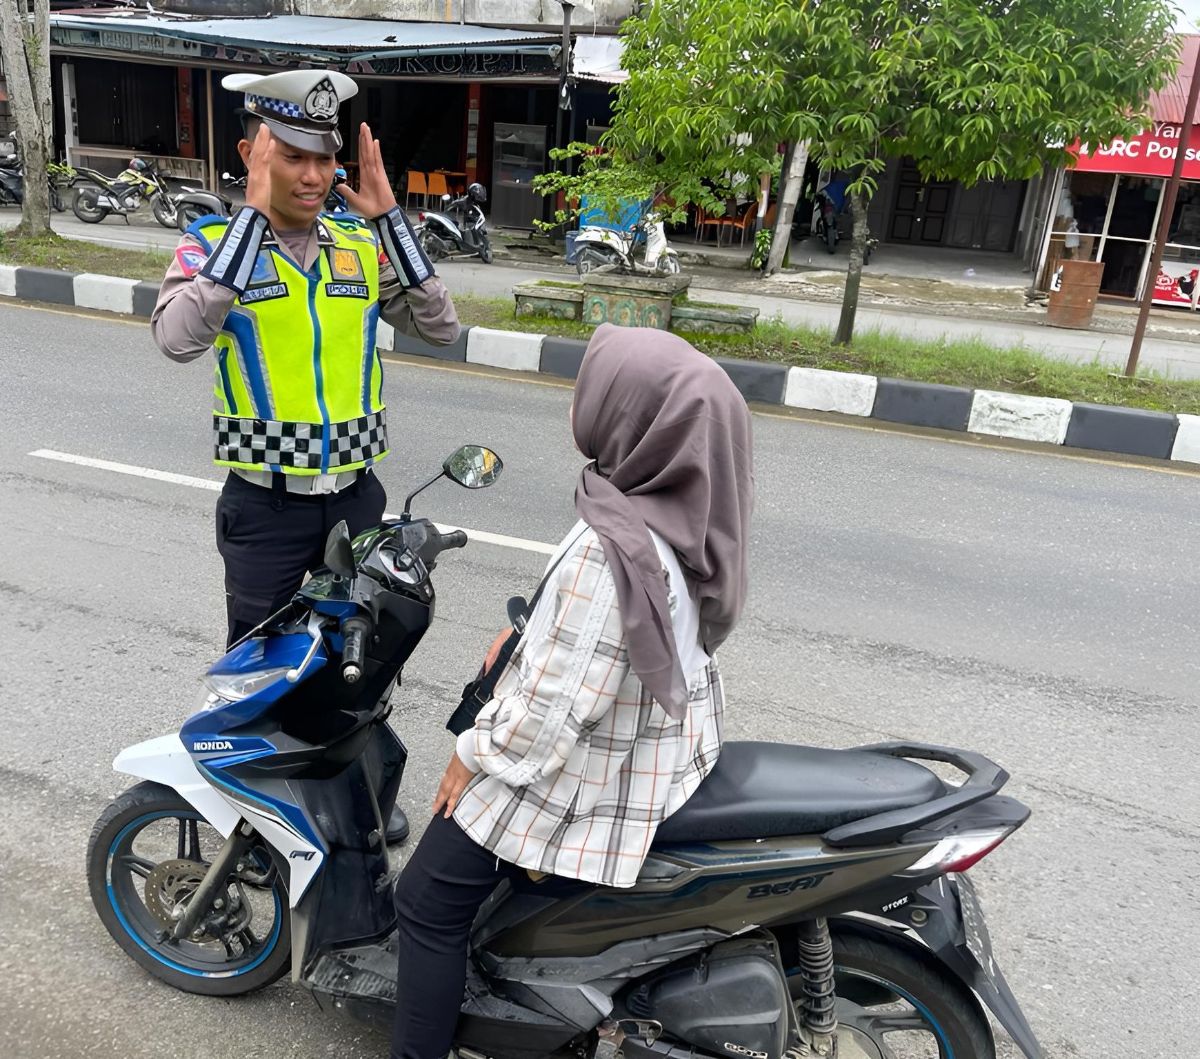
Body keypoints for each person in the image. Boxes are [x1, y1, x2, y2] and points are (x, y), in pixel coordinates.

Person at [389, 323, 754, 1059]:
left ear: (632, 420)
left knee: (424, 901)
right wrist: (526, 639)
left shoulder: (610, 545)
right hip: (660, 741)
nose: (576, 404)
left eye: (595, 390)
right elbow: (601, 645)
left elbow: (549, 721)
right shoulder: (677, 507)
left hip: (594, 766)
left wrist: (471, 753)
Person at [151, 69, 460, 845]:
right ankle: (249, 823)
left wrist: (392, 221)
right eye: (294, 156)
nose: (316, 175)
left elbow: (442, 325)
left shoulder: (356, 249)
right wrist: (251, 222)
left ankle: (350, 793)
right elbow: (177, 338)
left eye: (325, 158)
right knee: (260, 674)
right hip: (266, 507)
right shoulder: (210, 246)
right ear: (254, 153)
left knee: (356, 663)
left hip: (355, 501)